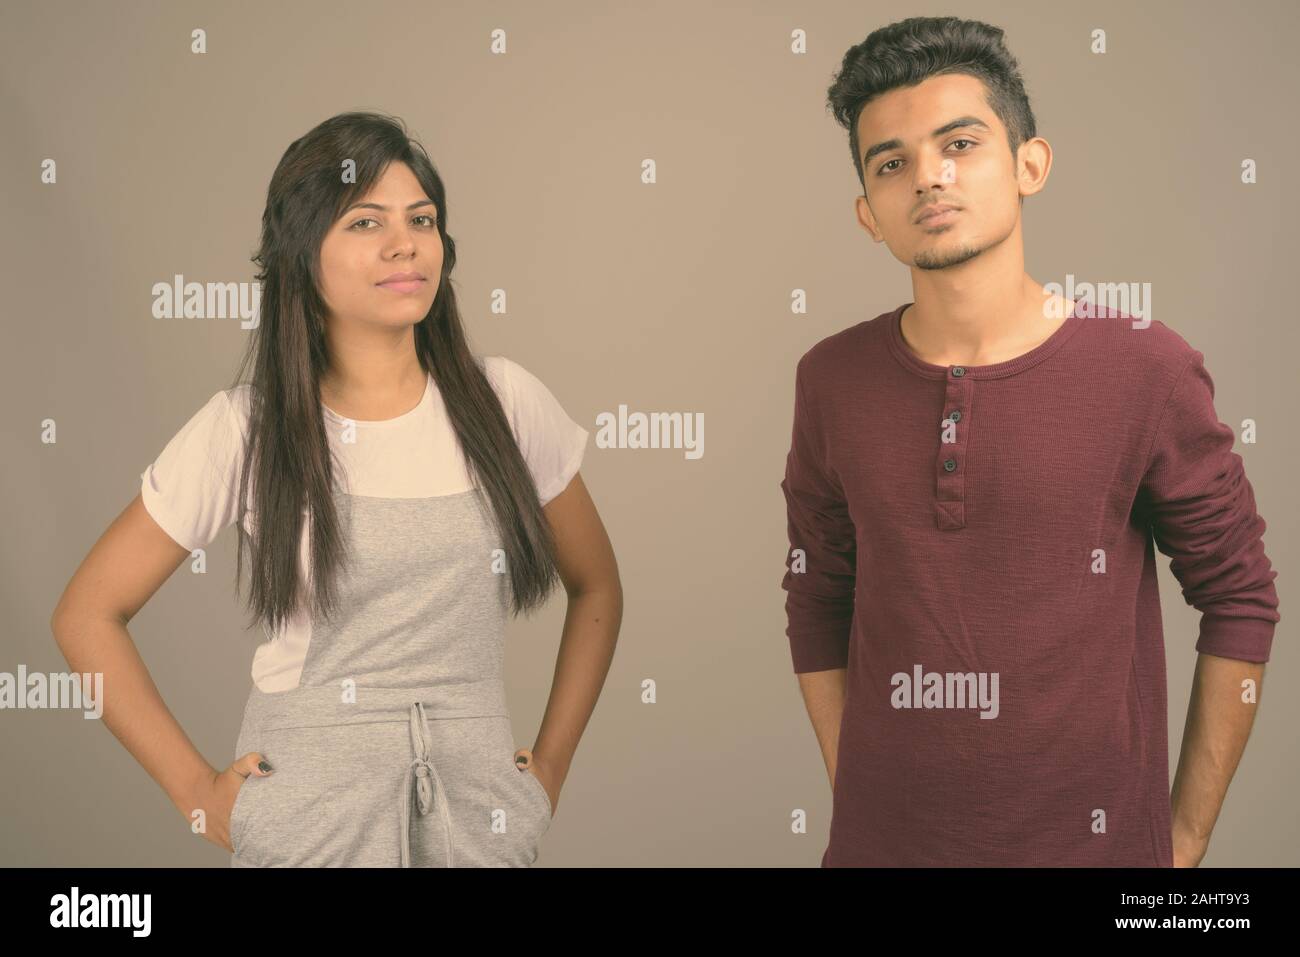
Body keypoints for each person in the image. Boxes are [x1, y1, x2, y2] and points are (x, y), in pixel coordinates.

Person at [50, 111, 623, 867]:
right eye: (364, 221)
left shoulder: (507, 405)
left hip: (479, 832)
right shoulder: (248, 429)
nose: (403, 243)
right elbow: (86, 613)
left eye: (421, 219)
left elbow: (598, 588)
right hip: (308, 832)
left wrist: (545, 772)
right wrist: (198, 793)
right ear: (301, 254)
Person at [780, 17, 1279, 867]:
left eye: (960, 143)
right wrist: (862, 798)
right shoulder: (831, 378)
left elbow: (1241, 599)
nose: (928, 178)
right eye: (891, 162)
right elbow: (816, 603)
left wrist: (1179, 841)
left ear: (1029, 165)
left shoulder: (1147, 368)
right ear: (869, 213)